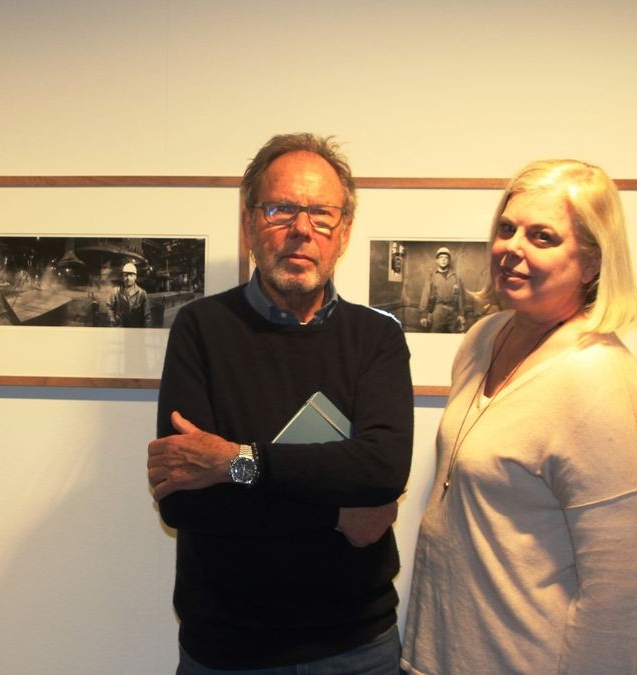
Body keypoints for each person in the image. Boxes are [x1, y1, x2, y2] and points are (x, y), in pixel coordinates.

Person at [147, 133, 414, 673]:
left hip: (357, 648)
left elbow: (382, 471)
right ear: (249, 224)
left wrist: (234, 462)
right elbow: (186, 502)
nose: (301, 230)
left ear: (343, 232)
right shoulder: (200, 328)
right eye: (280, 210)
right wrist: (337, 508)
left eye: (321, 214)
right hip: (227, 651)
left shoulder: (377, 337)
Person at [401, 160, 637, 674]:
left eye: (542, 236)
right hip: (445, 655)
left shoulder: (601, 380)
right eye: (506, 228)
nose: (512, 247)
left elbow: (616, 596)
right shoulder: (484, 338)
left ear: (591, 263)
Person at [417, 246, 467, 333]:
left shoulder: (455, 277)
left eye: (446, 258)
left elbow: (460, 297)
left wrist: (461, 314)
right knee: (435, 335)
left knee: (454, 336)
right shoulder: (431, 276)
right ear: (437, 260)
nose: (443, 260)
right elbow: (425, 295)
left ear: (449, 261)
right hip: (438, 311)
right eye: (441, 257)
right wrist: (423, 315)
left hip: (453, 312)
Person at [108, 261, 151, 327]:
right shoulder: (116, 291)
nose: (128, 278)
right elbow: (109, 307)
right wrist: (112, 320)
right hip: (120, 328)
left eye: (131, 275)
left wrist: (147, 330)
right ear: (122, 277)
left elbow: (147, 315)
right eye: (126, 275)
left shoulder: (142, 293)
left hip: (136, 328)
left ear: (135, 277)